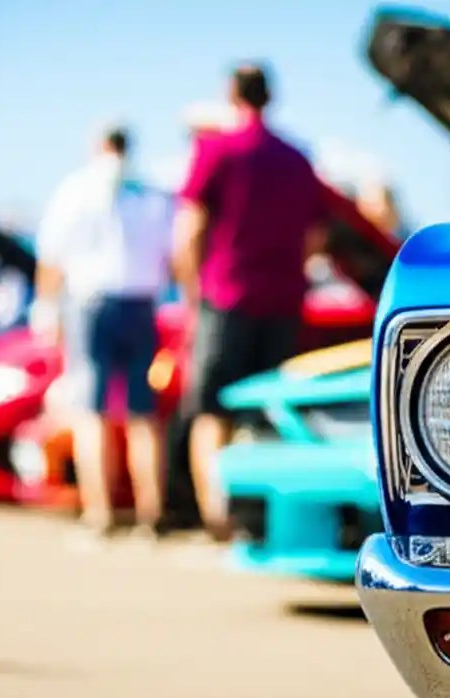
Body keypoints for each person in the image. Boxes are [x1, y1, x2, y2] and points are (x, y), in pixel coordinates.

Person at [174, 63, 328, 541]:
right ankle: (258, 521)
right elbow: (317, 235)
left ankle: (218, 520)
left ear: (231, 95)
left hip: (225, 297)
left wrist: (190, 294)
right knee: (266, 413)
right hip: (282, 300)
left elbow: (191, 229)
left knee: (211, 411)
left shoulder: (216, 149)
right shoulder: (298, 159)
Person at [33, 125, 172, 540]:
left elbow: (52, 257)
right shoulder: (152, 193)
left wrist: (45, 308)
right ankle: (151, 513)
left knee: (90, 411)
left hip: (91, 303)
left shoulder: (76, 189)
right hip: (141, 303)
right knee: (141, 413)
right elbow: (174, 253)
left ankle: (101, 513)